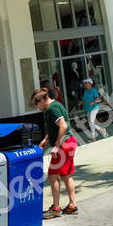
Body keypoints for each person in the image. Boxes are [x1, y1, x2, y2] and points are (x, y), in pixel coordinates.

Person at [35, 87, 77, 217]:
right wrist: (46, 139)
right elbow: (55, 127)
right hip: (70, 142)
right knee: (66, 175)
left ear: (43, 99)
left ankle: (56, 207)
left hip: (63, 145)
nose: (36, 106)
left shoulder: (52, 109)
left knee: (53, 176)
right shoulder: (55, 105)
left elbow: (63, 126)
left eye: (36, 103)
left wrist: (56, 146)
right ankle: (72, 204)